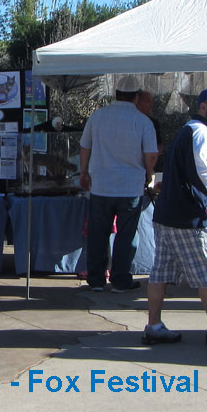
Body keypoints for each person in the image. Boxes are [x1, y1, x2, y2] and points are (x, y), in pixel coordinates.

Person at [144, 86, 207, 348]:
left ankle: (153, 326)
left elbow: (187, 169)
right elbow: (203, 170)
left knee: (161, 271)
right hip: (187, 216)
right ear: (203, 106)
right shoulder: (199, 132)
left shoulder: (188, 130)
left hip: (167, 213)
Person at [78, 75, 158, 293]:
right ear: (136, 96)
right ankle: (120, 280)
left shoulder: (98, 116)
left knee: (98, 234)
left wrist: (84, 171)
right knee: (127, 235)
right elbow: (151, 155)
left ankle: (96, 280)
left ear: (116, 94)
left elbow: (85, 147)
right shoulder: (143, 121)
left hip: (101, 185)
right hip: (130, 187)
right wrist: (148, 173)